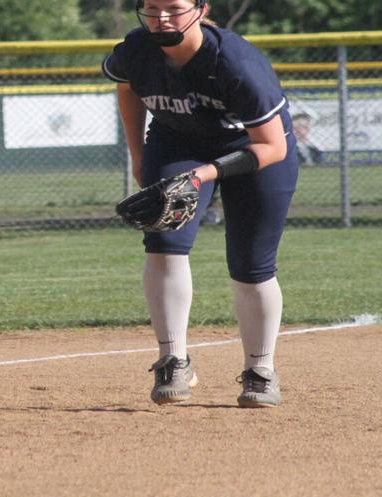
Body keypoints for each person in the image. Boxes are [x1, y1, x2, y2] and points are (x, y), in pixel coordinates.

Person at [105, 0, 298, 407]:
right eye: (151, 8)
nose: (161, 18)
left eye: (173, 8)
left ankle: (260, 371)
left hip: (254, 150)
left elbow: (273, 146)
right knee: (164, 245)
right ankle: (172, 360)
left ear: (201, 8)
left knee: (251, 264)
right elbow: (127, 88)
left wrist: (202, 175)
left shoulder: (235, 63)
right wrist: (138, 155)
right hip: (177, 141)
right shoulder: (136, 50)